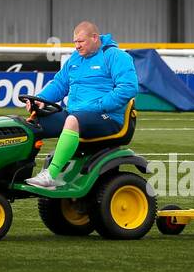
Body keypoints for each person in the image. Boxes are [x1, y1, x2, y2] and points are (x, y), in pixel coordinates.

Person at [25, 21, 138, 189]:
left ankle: (51, 175)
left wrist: (99, 105)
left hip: (107, 117)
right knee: (30, 125)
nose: (77, 46)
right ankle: (17, 172)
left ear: (94, 38)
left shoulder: (114, 56)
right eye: (75, 42)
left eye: (81, 41)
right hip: (77, 113)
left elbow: (128, 87)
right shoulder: (75, 59)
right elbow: (59, 84)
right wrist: (39, 99)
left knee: (72, 121)